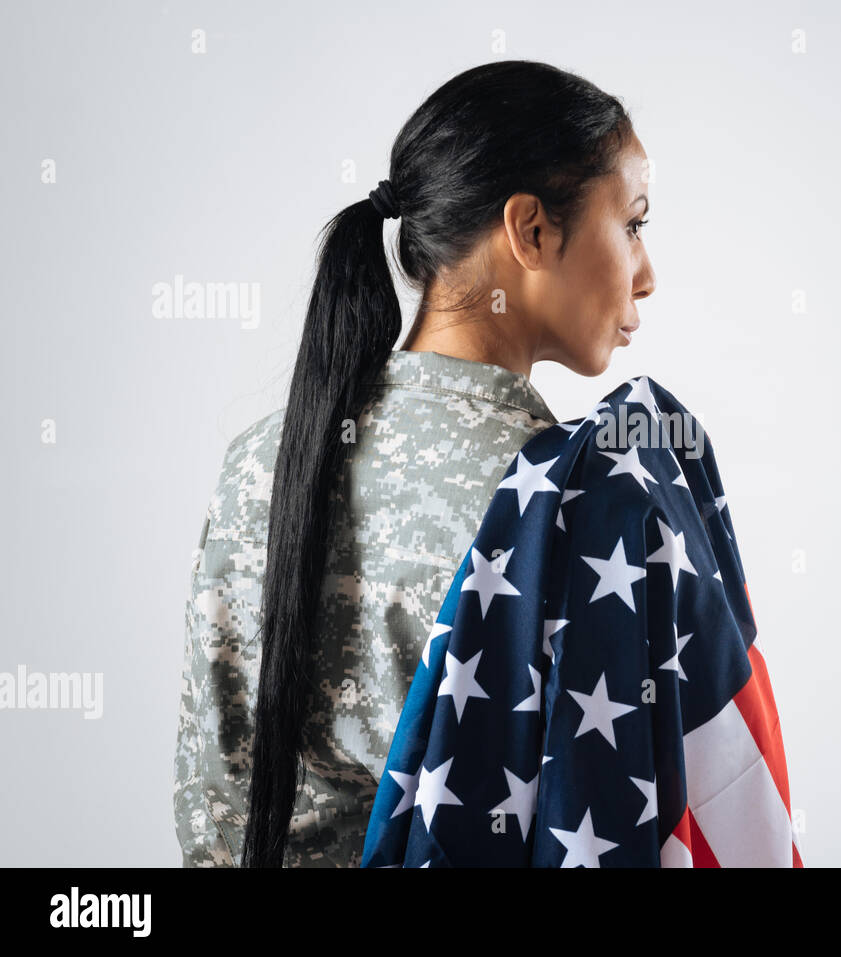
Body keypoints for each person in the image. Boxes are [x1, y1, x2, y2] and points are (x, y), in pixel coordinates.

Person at [172, 60, 655, 867]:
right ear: (531, 229)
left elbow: (214, 804)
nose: (646, 272)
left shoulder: (259, 459)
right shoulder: (572, 498)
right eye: (633, 223)